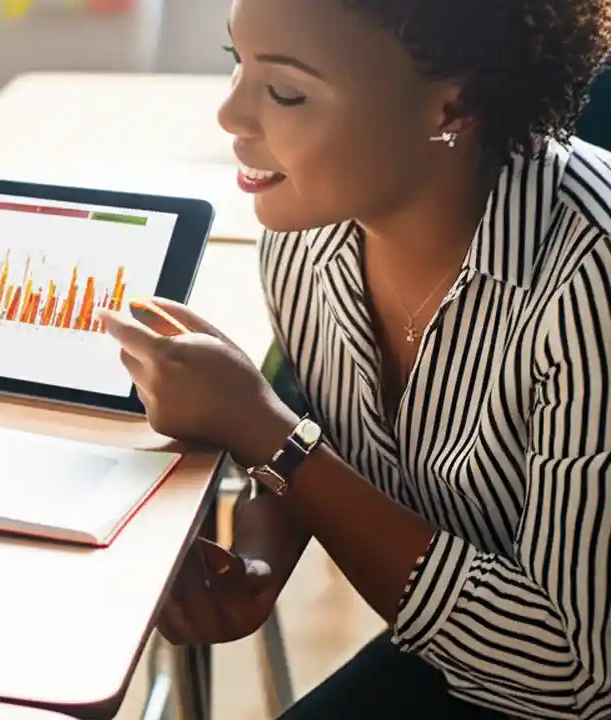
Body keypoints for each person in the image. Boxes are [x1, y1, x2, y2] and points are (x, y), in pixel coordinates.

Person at [99, 0, 611, 716]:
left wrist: (257, 427)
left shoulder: (591, 283)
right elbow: (325, 424)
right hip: (458, 653)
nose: (231, 115)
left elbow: (575, 669)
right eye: (236, 64)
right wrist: (260, 557)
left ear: (453, 103)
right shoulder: (306, 235)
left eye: (285, 92)